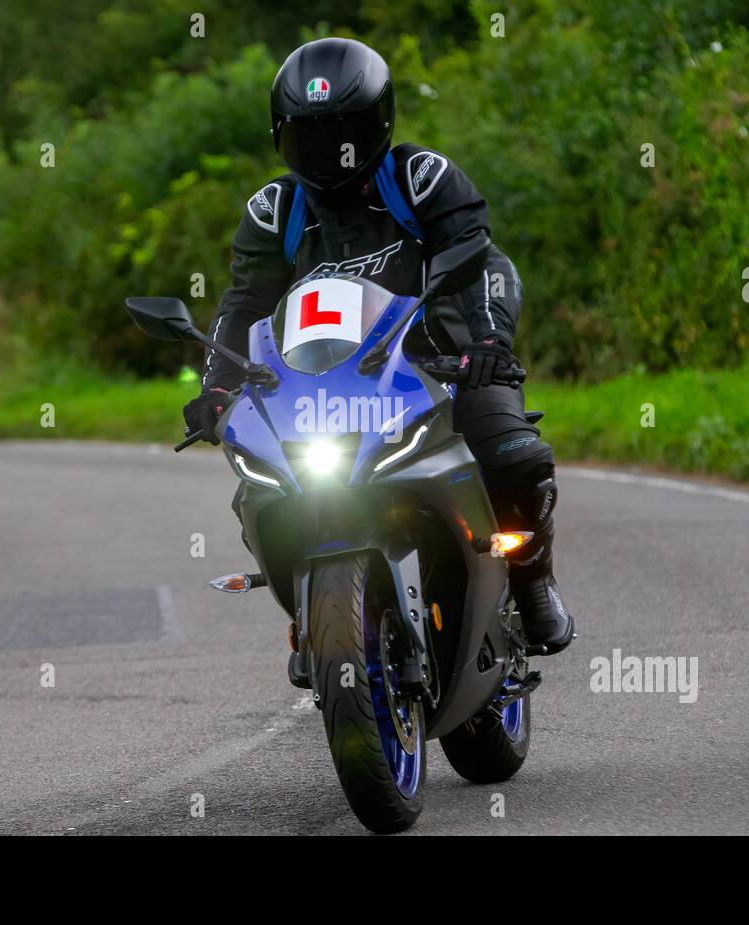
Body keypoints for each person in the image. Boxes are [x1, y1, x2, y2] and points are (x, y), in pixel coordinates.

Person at [183, 37, 572, 654]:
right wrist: (216, 387)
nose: (325, 153)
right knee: (261, 486)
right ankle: (311, 614)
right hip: (324, 387)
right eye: (306, 137)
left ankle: (532, 581)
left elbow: (474, 255)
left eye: (340, 133)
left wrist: (490, 343)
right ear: (281, 136)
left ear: (377, 123)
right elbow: (244, 306)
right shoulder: (273, 211)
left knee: (514, 457)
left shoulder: (419, 179)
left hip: (443, 361)